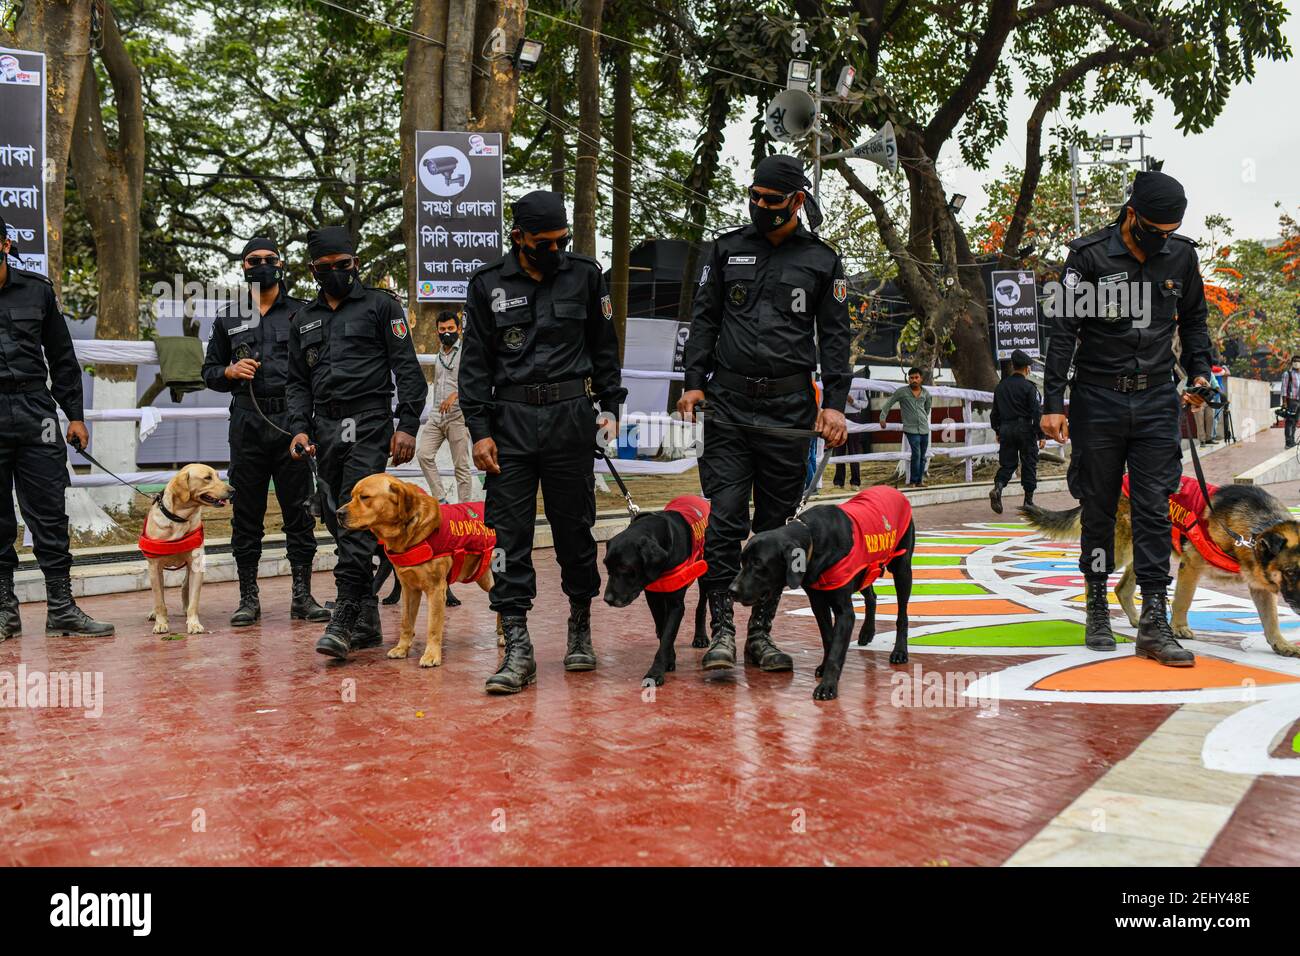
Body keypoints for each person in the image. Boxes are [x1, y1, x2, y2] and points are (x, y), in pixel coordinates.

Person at [677, 154, 850, 673]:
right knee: (726, 519)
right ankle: (723, 632)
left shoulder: (823, 260)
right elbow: (704, 319)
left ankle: (760, 634)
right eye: (753, 197)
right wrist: (692, 384)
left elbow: (835, 339)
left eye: (771, 201)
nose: (759, 207)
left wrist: (835, 404)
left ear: (797, 201)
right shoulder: (727, 249)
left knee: (776, 527)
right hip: (727, 406)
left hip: (789, 410)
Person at [1041, 170, 1212, 667]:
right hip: (1098, 399)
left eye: (1169, 231)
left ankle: (1154, 620)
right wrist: (1053, 404)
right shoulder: (1089, 256)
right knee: (1098, 506)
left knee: (1155, 507)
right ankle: (1097, 603)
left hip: (1159, 399)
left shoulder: (1182, 256)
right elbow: (1063, 333)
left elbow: (1195, 320)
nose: (1162, 240)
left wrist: (1201, 374)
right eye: (1154, 230)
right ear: (1131, 213)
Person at [459, 190, 626, 695]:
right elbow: (475, 366)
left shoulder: (585, 275)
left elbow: (604, 346)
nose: (555, 250)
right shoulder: (487, 284)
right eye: (544, 243)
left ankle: (580, 626)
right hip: (508, 422)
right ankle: (518, 646)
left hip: (570, 418)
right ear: (520, 238)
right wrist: (480, 430)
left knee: (575, 528)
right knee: (508, 537)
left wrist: (611, 408)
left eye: (562, 241)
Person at [286, 226, 427, 660]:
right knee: (335, 515)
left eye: (342, 266)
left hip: (369, 422)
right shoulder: (303, 318)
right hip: (324, 431)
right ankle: (367, 622)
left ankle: (344, 617)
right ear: (313, 270)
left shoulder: (382, 307)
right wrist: (299, 427)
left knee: (358, 515)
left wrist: (406, 425)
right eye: (325, 268)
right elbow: (297, 382)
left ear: (356, 264)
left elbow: (407, 369)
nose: (334, 274)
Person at [201, 237, 328, 626]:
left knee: (299, 511)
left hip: (292, 424)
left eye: (268, 259)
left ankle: (303, 597)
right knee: (247, 513)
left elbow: (319, 371)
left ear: (281, 264)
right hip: (247, 425)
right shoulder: (228, 316)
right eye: (253, 260)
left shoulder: (306, 314)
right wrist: (228, 371)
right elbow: (208, 372)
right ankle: (248, 599)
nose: (260, 265)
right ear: (243, 268)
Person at [0, 218, 112, 639]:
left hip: (35, 409)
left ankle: (62, 608)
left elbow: (63, 358)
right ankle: (4, 612)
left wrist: (76, 415)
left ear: (6, 243)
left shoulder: (37, 289)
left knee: (49, 512)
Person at [989, 349, 1043, 513]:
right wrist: (1040, 434)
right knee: (1029, 463)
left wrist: (998, 430)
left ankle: (998, 487)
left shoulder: (1000, 387)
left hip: (1006, 428)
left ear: (1013, 366)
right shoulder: (1029, 387)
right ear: (1027, 368)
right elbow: (1036, 412)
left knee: (1008, 464)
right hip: (1025, 429)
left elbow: (994, 413)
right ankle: (1028, 501)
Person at [879, 368, 931, 487]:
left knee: (923, 456)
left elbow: (927, 409)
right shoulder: (902, 392)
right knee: (916, 454)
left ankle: (919, 481)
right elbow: (888, 404)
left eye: (916, 377)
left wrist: (921, 418)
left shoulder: (926, 393)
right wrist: (882, 417)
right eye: (911, 378)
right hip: (910, 429)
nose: (914, 380)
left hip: (924, 428)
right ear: (908, 379)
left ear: (921, 379)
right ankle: (912, 481)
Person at [833, 386, 868, 488]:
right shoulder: (838, 383)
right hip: (839, 415)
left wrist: (853, 401)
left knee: (854, 450)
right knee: (839, 448)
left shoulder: (858, 384)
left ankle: (855, 482)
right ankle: (839, 481)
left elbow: (865, 403)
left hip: (854, 416)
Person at [1281, 355, 1300, 448]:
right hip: (1291, 400)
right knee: (1290, 421)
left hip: (1299, 400)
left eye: (1299, 361)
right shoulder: (1287, 374)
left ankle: (1292, 440)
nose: (1297, 363)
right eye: (1295, 361)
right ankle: (1288, 443)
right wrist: (1284, 402)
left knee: (1295, 421)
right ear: (1292, 363)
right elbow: (1284, 388)